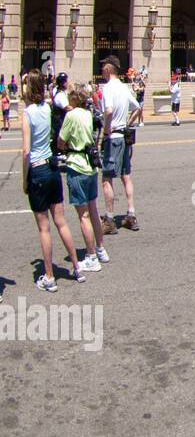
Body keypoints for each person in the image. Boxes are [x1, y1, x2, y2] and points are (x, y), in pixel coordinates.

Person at [21, 71, 83, 290]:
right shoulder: (47, 108)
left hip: (37, 170)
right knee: (61, 221)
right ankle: (76, 267)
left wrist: (24, 179)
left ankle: (49, 276)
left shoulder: (27, 113)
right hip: (52, 167)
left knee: (44, 228)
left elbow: (27, 151)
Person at [58, 83, 109, 272]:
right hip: (90, 166)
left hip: (77, 165)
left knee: (83, 215)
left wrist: (63, 145)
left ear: (74, 97)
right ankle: (100, 248)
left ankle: (91, 256)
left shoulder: (71, 116)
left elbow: (61, 141)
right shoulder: (89, 114)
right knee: (93, 209)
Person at [98, 55, 141, 234]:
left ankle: (109, 219)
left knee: (107, 179)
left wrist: (107, 130)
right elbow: (138, 107)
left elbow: (108, 111)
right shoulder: (124, 88)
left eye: (103, 67)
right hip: (123, 136)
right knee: (126, 176)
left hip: (113, 137)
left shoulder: (108, 88)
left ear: (109, 68)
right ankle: (131, 215)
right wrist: (127, 123)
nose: (101, 70)